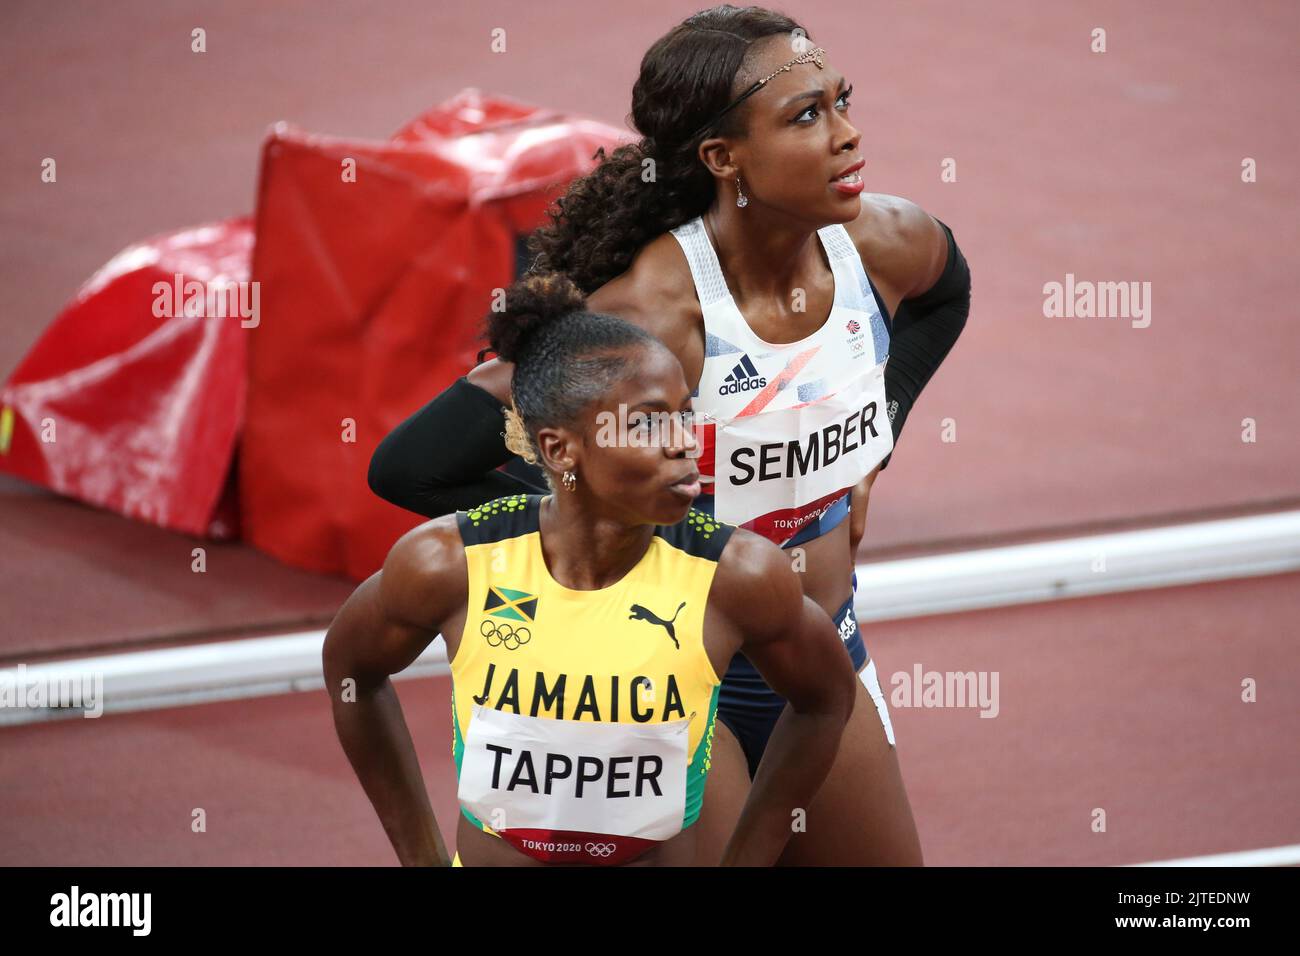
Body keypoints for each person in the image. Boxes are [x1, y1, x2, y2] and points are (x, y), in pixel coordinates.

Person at [367, 6, 971, 865]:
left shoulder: (884, 242)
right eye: (806, 116)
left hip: (822, 648)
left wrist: (879, 437)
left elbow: (948, 298)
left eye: (841, 101)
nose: (848, 134)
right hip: (682, 672)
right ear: (724, 160)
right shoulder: (650, 318)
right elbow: (414, 468)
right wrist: (603, 523)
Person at [325, 273, 856, 866]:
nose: (687, 443)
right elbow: (351, 672)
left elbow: (826, 701)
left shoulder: (737, 576)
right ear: (558, 449)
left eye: (686, 415)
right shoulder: (449, 564)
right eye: (650, 422)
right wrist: (420, 855)